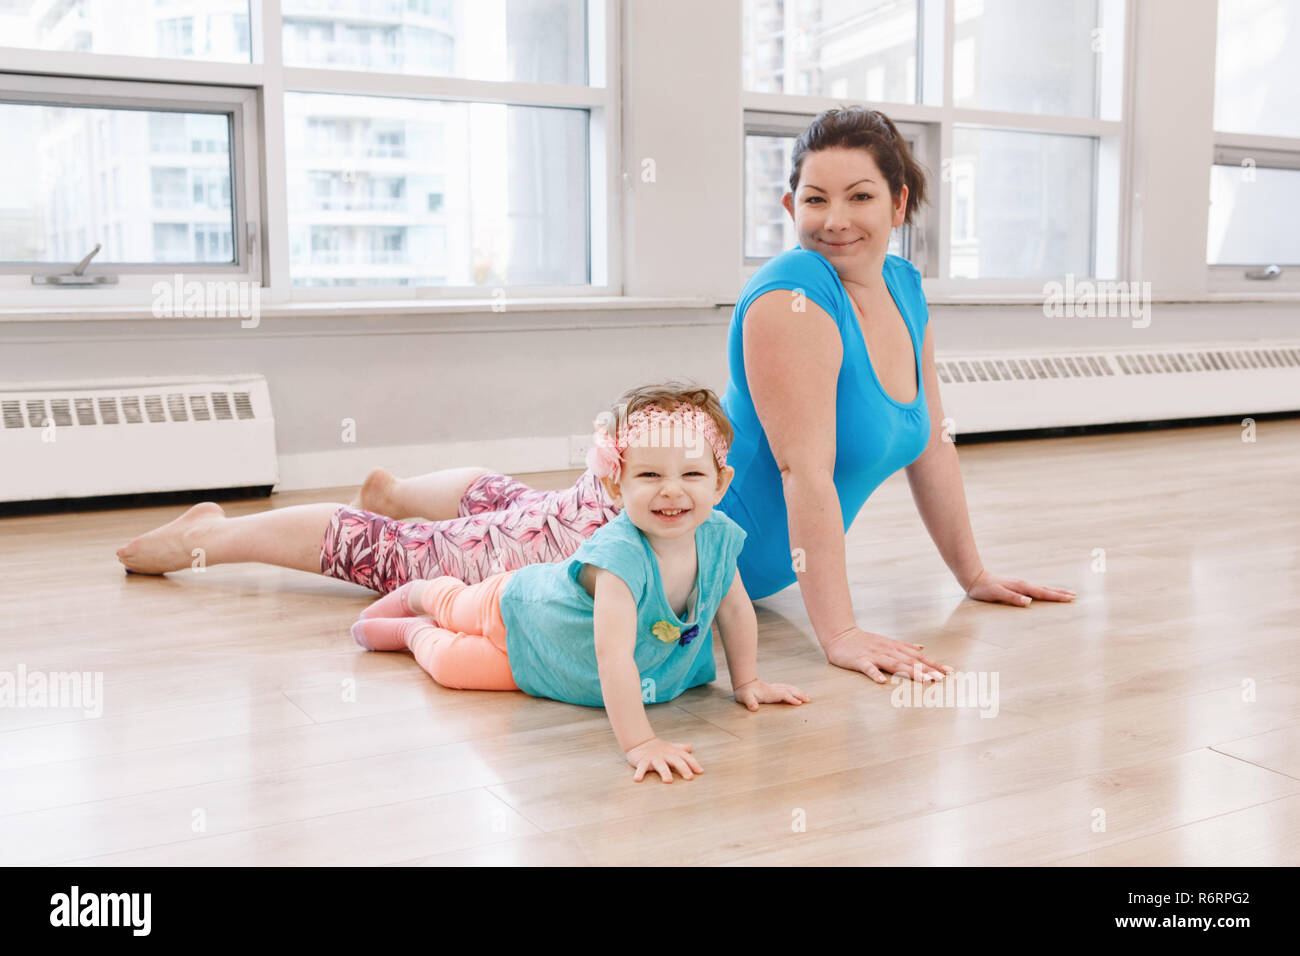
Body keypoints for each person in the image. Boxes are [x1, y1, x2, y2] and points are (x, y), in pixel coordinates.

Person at [117, 105, 1074, 684]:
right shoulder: (792, 301)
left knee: (518, 507)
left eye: (860, 197)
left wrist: (973, 575)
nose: (835, 220)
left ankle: (405, 486)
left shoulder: (905, 292)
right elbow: (802, 473)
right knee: (412, 555)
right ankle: (217, 533)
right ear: (789, 207)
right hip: (631, 540)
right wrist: (842, 633)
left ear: (900, 203)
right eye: (813, 198)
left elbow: (932, 443)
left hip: (718, 550)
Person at [349, 385, 808, 783]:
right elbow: (613, 658)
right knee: (458, 610)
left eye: (691, 474)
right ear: (615, 486)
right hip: (517, 607)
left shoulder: (719, 537)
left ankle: (414, 634)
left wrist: (746, 680)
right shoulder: (620, 556)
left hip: (554, 663)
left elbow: (734, 609)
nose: (671, 490)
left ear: (720, 483)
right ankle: (424, 596)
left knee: (452, 666)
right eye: (649, 475)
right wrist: (640, 743)